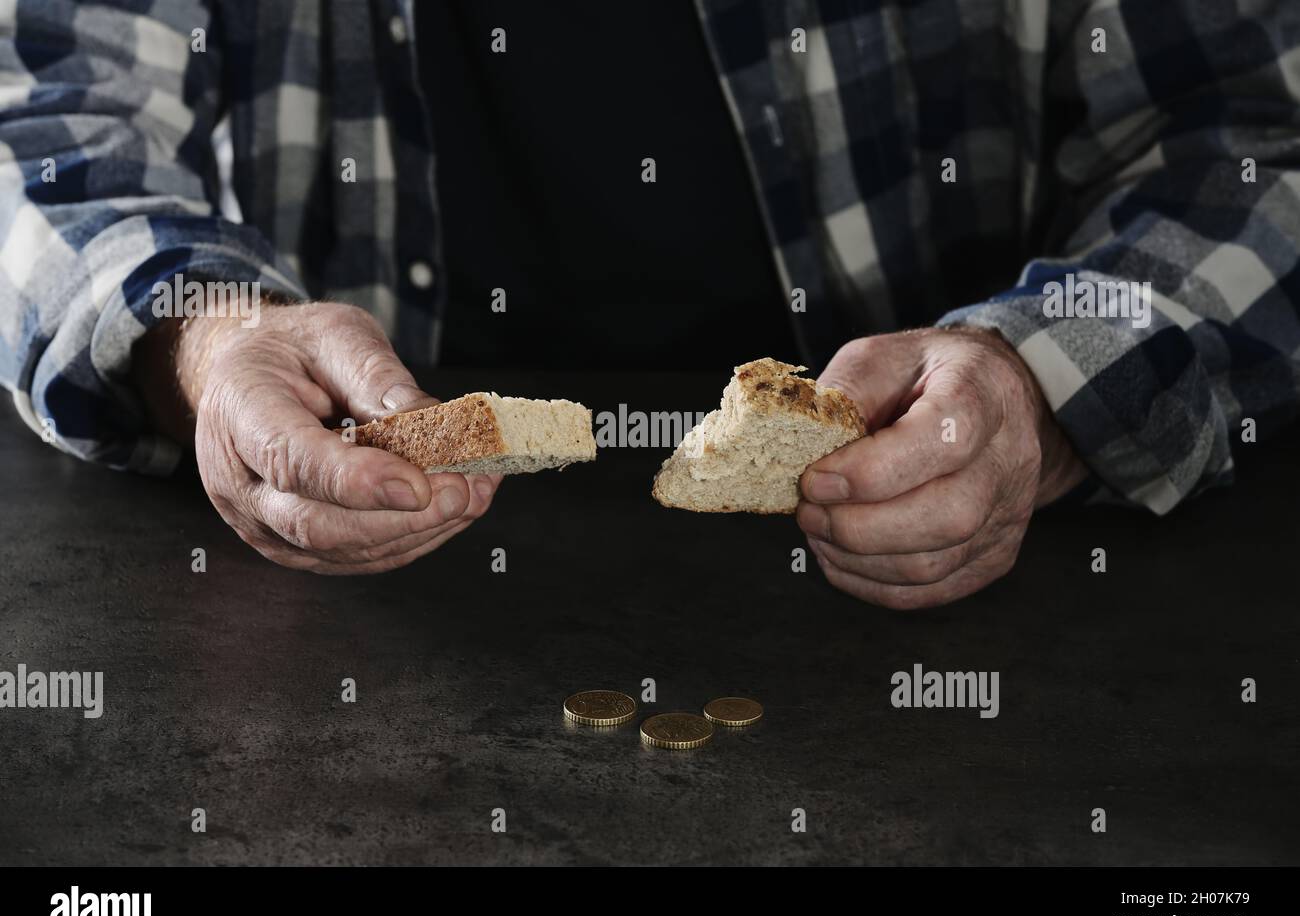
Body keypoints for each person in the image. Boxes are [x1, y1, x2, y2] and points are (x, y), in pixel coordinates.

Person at [1, 1, 1297, 608]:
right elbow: (45, 115)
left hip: (992, 614)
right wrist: (206, 334)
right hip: (352, 615)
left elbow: (1255, 139)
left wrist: (1044, 392)